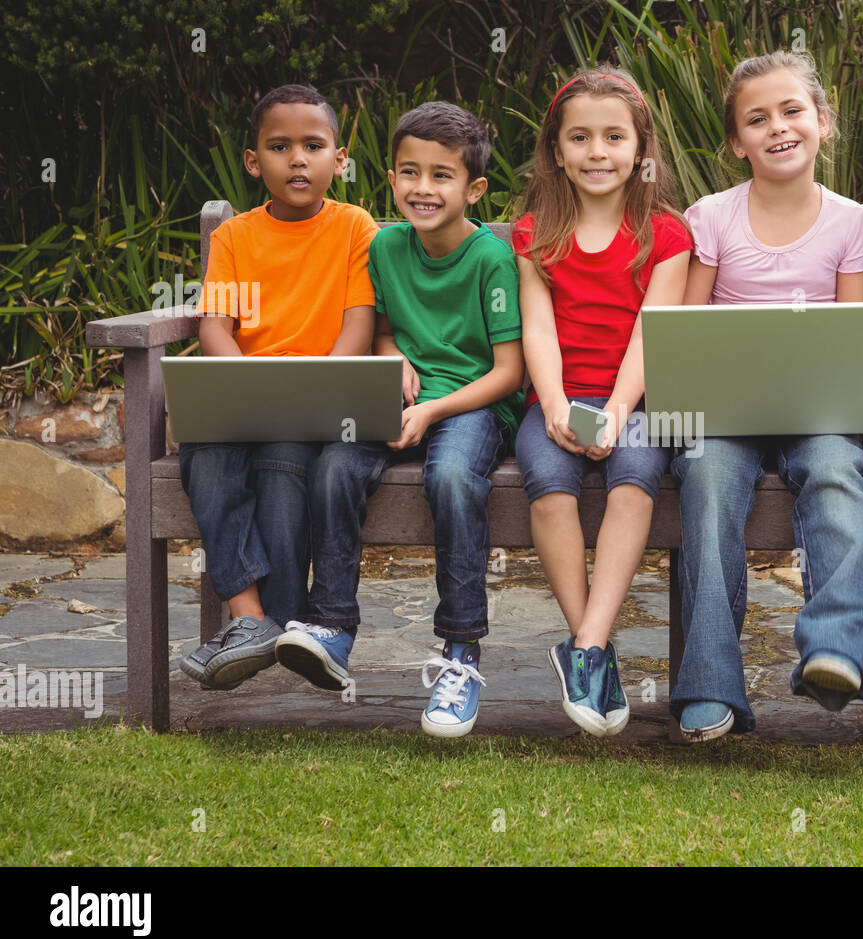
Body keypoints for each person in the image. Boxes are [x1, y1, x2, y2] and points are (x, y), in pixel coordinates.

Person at [275, 103, 525, 737]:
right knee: (334, 464)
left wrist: (434, 407)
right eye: (410, 172)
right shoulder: (385, 246)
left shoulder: (490, 259)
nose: (423, 188)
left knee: (449, 478)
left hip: (471, 405)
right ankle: (332, 626)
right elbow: (383, 331)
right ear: (390, 179)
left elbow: (507, 373)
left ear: (474, 189)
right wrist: (396, 362)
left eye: (442, 176)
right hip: (400, 398)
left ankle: (461, 652)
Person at [671, 51, 863, 742]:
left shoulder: (853, 224)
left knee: (835, 472)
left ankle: (836, 650)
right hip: (726, 410)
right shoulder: (710, 217)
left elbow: (851, 338)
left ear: (822, 122)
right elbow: (686, 327)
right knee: (705, 481)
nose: (777, 128)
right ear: (737, 142)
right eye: (756, 120)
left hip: (817, 408)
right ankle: (709, 683)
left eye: (792, 111)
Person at [178, 84, 378, 690]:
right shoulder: (235, 236)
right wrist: (247, 387)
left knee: (283, 461)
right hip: (246, 394)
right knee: (204, 455)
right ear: (252, 160)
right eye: (280, 146)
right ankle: (251, 619)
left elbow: (359, 322)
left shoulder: (353, 228)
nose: (298, 159)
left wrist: (316, 389)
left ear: (338, 160)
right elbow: (215, 324)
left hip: (320, 404)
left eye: (313, 146)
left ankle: (281, 617)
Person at [513, 67, 691, 736]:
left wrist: (617, 410)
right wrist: (556, 405)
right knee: (550, 488)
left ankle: (586, 646)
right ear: (556, 150)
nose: (597, 152)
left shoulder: (664, 235)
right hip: (556, 396)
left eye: (614, 137)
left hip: (635, 399)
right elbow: (537, 326)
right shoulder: (535, 232)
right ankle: (592, 647)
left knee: (635, 482)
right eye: (580, 137)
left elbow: (652, 330)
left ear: (641, 149)